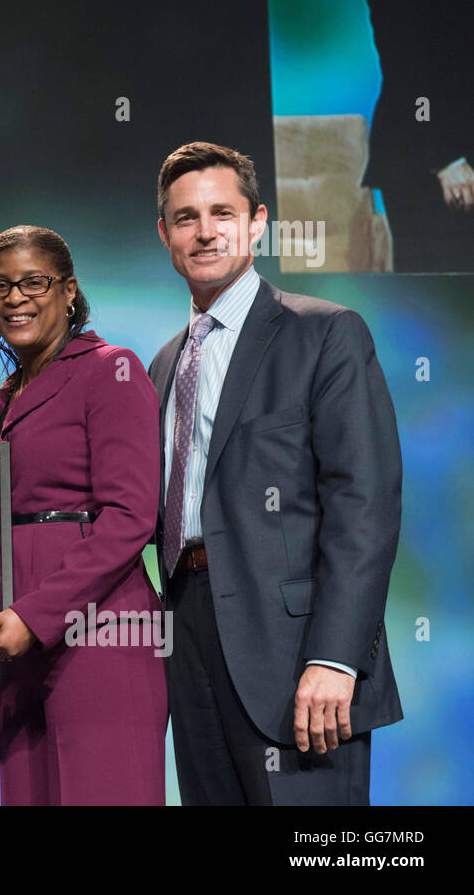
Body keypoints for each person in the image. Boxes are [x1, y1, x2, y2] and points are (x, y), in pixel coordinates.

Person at [150, 141, 403, 805]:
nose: (204, 231)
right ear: (164, 234)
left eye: (221, 212)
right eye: (185, 217)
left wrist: (336, 655)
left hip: (297, 652)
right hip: (191, 638)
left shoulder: (325, 334)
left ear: (258, 222)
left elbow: (365, 504)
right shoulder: (162, 365)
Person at [0, 225, 166, 805]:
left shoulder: (111, 371)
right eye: (0, 285)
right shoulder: (2, 401)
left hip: (99, 635)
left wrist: (38, 615)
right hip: (19, 646)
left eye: (34, 282)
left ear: (69, 291)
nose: (15, 297)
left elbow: (130, 517)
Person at [361, 0, 473, 272]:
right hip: (428, 161)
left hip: (448, 152)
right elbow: (406, 65)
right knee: (442, 292)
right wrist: (444, 157)